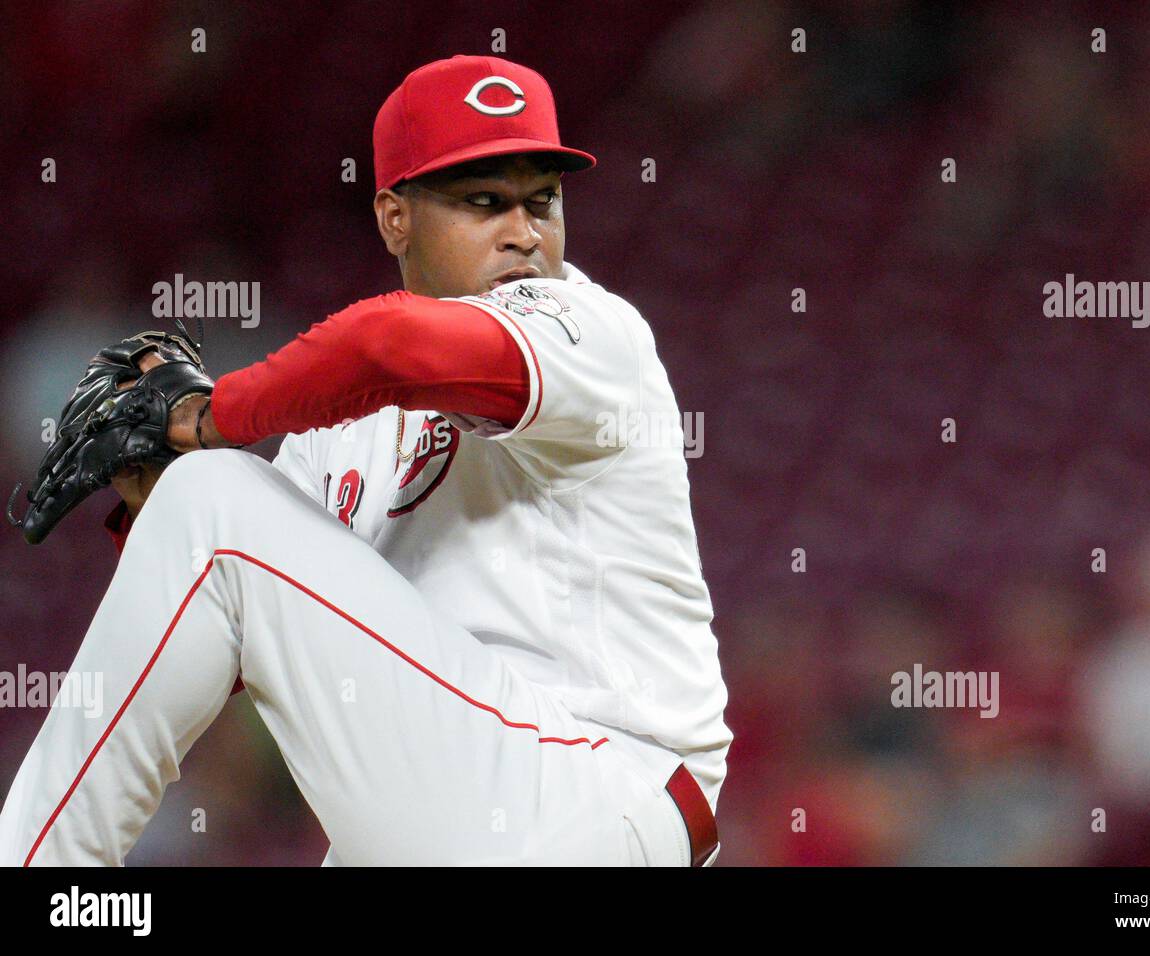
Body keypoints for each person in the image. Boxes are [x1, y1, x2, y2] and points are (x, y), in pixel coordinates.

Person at [0, 54, 731, 866]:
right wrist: (149, 499)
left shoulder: (591, 331)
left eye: (542, 201)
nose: (523, 231)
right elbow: (239, 649)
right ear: (395, 218)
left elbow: (386, 346)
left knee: (214, 491)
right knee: (205, 500)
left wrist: (207, 420)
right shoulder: (334, 438)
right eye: (484, 202)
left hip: (590, 797)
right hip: (451, 811)